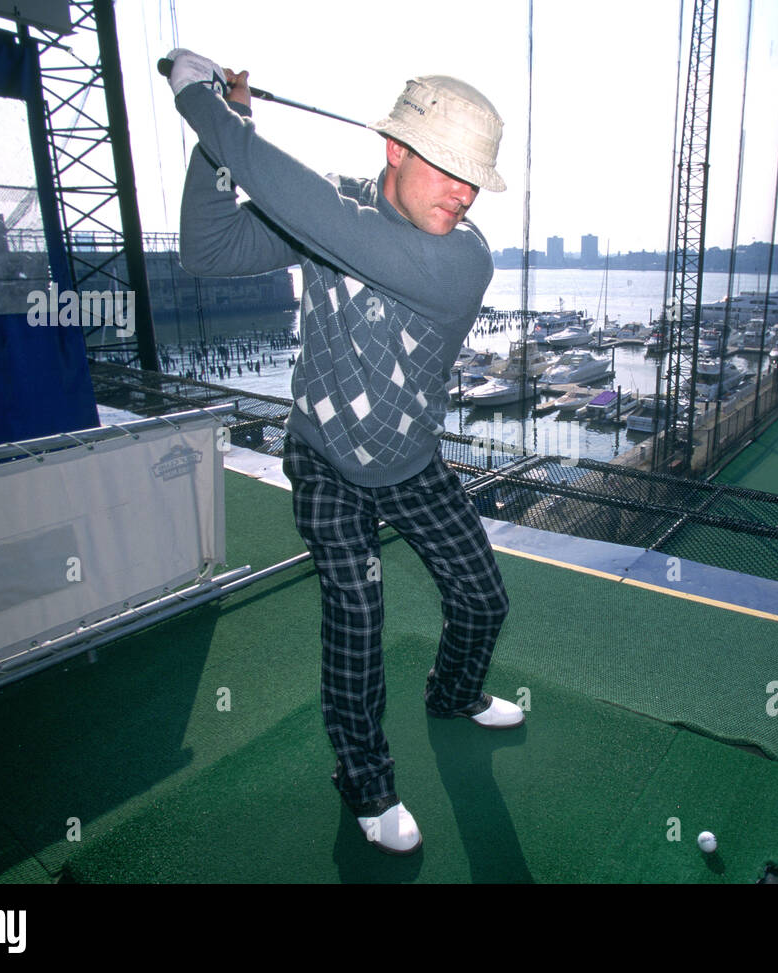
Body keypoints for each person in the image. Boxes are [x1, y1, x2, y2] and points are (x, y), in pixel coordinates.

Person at [166, 50, 521, 855]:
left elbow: (319, 216)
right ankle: (366, 784)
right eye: (449, 169)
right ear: (396, 148)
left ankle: (454, 693)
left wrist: (206, 107)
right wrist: (217, 140)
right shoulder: (336, 209)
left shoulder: (463, 258)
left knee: (483, 597)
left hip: (409, 457)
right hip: (325, 454)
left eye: (476, 178)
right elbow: (207, 248)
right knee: (357, 615)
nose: (463, 193)